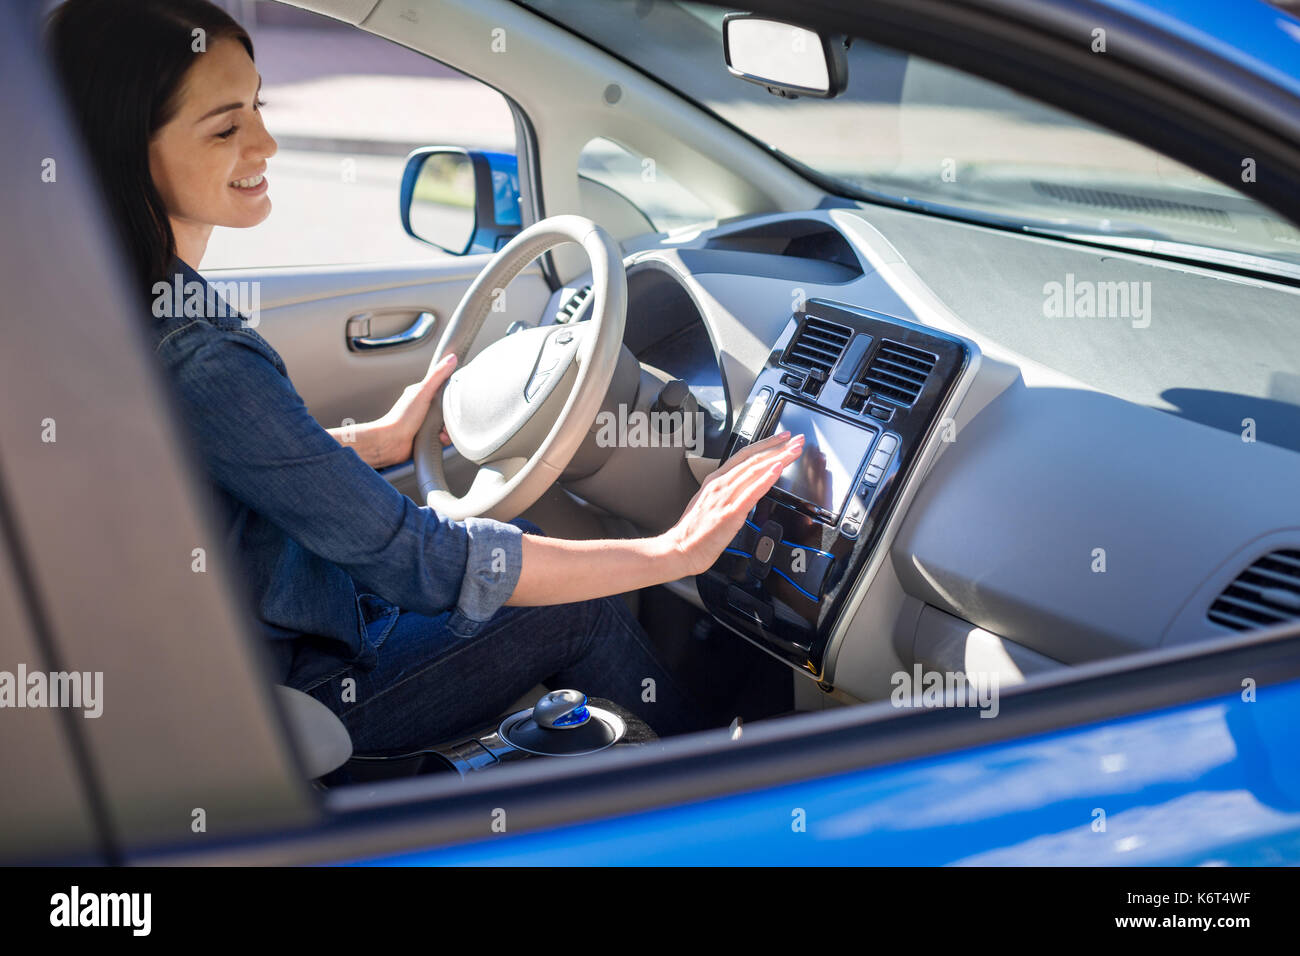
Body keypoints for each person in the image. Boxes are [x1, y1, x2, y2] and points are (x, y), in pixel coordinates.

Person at [46, 0, 804, 753]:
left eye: (258, 106)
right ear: (122, 150)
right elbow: (417, 557)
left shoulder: (117, 308)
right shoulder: (198, 353)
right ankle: (730, 786)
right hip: (287, 698)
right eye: (226, 127)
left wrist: (370, 443)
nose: (268, 142)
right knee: (567, 608)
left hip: (261, 651)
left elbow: (224, 473)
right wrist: (675, 550)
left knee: (526, 547)